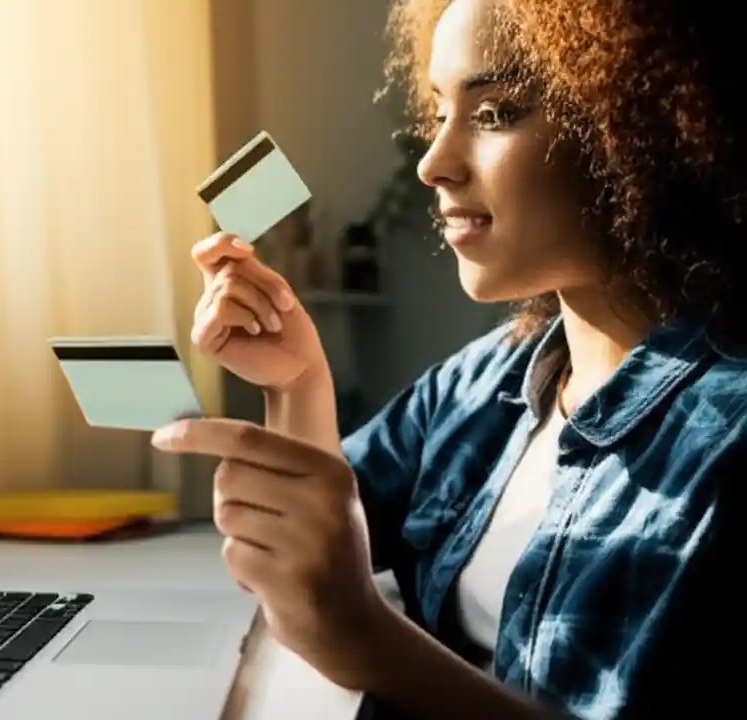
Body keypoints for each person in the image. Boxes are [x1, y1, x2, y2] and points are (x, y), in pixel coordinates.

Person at [149, 0, 746, 717]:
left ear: (642, 132)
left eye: (495, 113)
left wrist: (368, 641)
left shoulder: (727, 442)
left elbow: (340, 617)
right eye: (438, 113)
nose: (434, 163)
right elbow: (306, 556)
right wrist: (296, 380)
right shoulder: (483, 382)